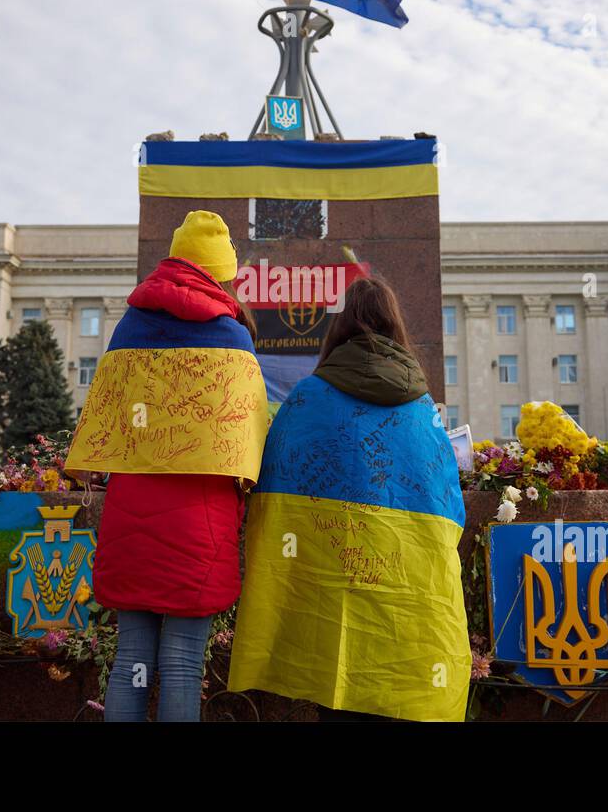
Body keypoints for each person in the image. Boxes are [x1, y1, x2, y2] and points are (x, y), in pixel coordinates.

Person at [227, 276, 471, 721]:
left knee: (334, 696)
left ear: (339, 327)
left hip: (323, 581)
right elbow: (449, 505)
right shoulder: (421, 407)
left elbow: (273, 476)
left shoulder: (307, 398)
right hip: (399, 590)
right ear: (395, 325)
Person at [65, 210, 268, 722]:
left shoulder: (129, 328)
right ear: (220, 273)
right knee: (181, 664)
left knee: (130, 659)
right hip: (200, 522)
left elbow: (103, 423)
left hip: (131, 513)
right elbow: (250, 438)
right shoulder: (231, 336)